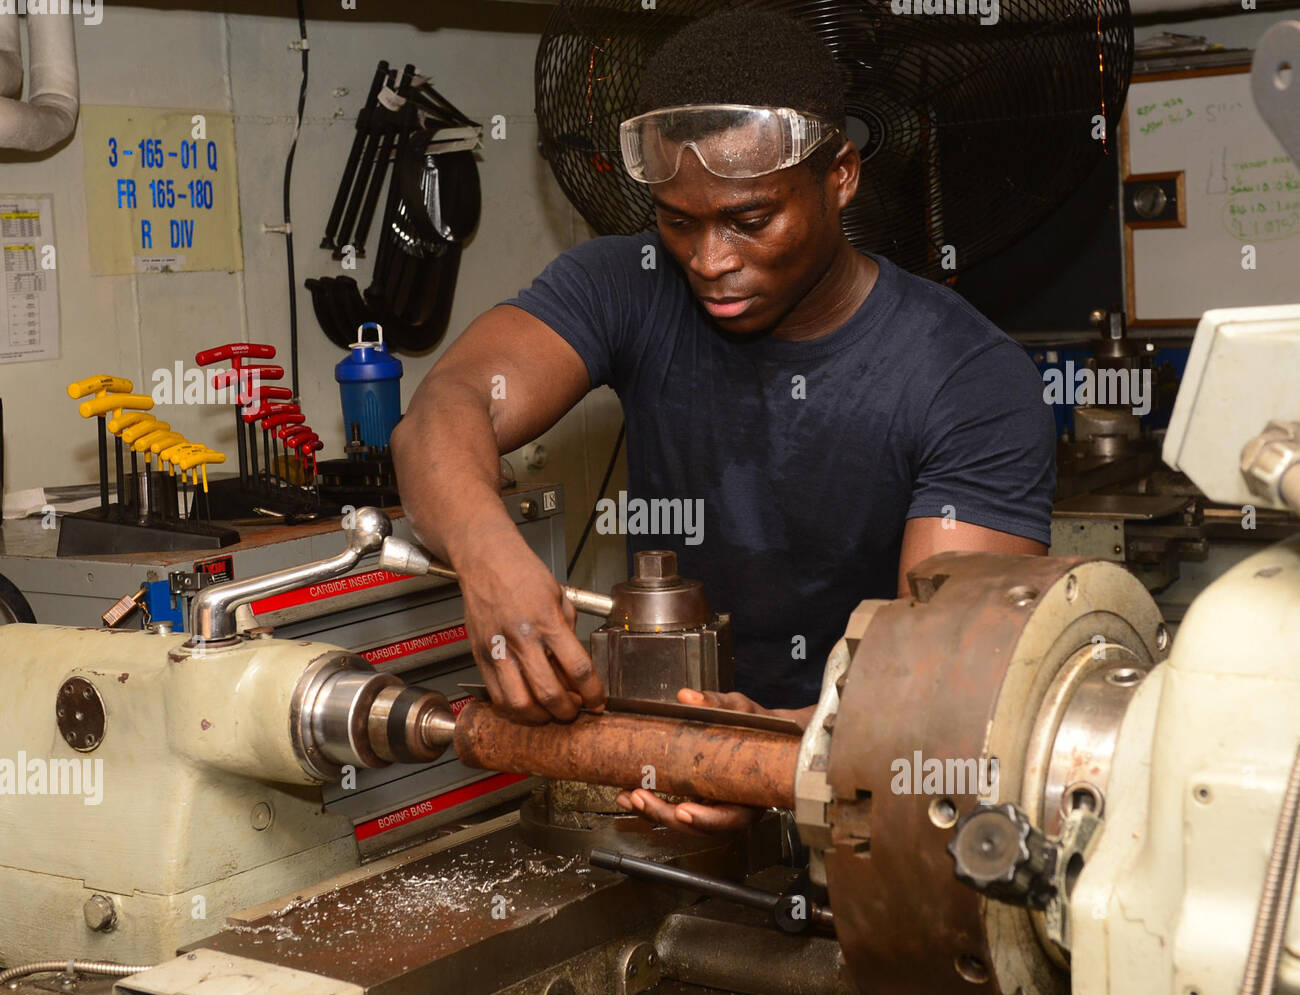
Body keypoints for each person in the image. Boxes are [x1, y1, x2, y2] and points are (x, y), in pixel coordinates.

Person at [391, 9, 1055, 834]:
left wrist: (765, 757)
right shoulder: (622, 286)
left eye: (750, 220)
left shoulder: (968, 377)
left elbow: (940, 689)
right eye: (678, 219)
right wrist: (488, 556)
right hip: (664, 772)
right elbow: (440, 413)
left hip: (877, 812)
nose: (709, 261)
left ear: (841, 176)